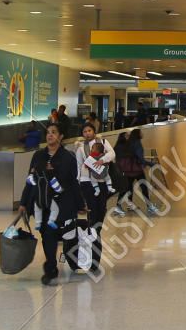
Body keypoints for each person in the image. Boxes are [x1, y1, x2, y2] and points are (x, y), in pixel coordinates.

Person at [20, 124, 81, 285]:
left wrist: (81, 204)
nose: (50, 135)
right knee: (47, 235)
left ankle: (72, 259)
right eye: (48, 133)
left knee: (67, 235)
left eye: (54, 132)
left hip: (64, 203)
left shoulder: (68, 157)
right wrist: (24, 202)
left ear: (60, 136)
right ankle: (51, 268)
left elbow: (73, 182)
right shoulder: (38, 156)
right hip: (43, 202)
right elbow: (30, 180)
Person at [74, 120, 115, 270]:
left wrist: (101, 160)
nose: (87, 134)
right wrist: (78, 183)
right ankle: (92, 256)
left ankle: (96, 229)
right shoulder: (80, 148)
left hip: (102, 181)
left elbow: (112, 154)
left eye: (89, 131)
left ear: (94, 131)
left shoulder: (103, 142)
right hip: (86, 183)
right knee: (93, 219)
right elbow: (78, 167)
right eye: (84, 132)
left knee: (98, 215)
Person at [118, 127, 156, 217]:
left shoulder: (129, 143)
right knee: (144, 188)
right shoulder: (137, 143)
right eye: (141, 132)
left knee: (126, 188)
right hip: (137, 169)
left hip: (128, 170)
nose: (143, 134)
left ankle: (118, 205)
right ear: (138, 134)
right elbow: (140, 157)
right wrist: (150, 164)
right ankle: (149, 206)